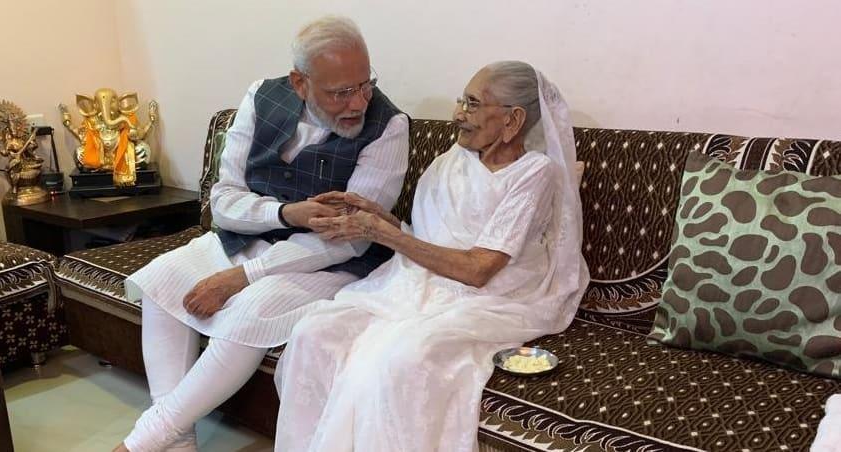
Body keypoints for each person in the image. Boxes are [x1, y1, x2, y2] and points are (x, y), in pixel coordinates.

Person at [114, 15, 409, 452]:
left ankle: (145, 441)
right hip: (253, 236)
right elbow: (224, 202)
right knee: (163, 281)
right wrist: (287, 213)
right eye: (340, 92)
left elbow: (352, 236)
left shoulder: (389, 127)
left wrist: (245, 276)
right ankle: (177, 442)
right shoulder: (260, 96)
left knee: (248, 311)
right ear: (299, 82)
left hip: (331, 262)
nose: (358, 103)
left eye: (365, 84)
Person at [274, 61, 590, 452]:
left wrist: (383, 233)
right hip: (414, 281)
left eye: (473, 104)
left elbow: (478, 270)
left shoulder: (534, 173)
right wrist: (373, 215)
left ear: (513, 120)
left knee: (402, 356)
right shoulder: (451, 161)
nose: (458, 114)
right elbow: (426, 239)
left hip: (491, 295)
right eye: (462, 100)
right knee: (313, 331)